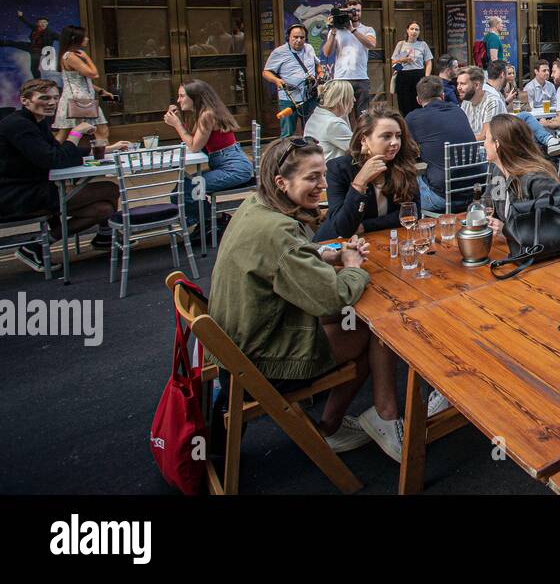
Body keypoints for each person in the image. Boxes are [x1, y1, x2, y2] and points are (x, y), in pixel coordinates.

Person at [206, 137, 376, 454]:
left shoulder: (254, 206)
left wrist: (319, 256)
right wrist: (353, 266)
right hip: (263, 361)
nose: (323, 185)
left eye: (323, 174)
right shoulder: (278, 231)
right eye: (312, 177)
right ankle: (330, 429)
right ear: (281, 181)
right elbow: (333, 297)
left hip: (234, 349)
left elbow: (280, 261)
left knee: (344, 320)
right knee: (368, 332)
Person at [0, 79, 127, 263]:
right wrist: (75, 133)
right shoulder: (18, 125)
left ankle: (38, 245)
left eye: (55, 98)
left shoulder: (38, 122)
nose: (51, 102)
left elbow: (58, 152)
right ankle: (105, 235)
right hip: (17, 195)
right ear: (25, 101)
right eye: (44, 98)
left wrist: (108, 149)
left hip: (36, 187)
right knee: (109, 189)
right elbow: (54, 159)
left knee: (103, 209)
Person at [316, 103, 422, 241]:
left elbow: (412, 213)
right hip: (336, 247)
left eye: (398, 136)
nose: (395, 142)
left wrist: (366, 226)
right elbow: (343, 227)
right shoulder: (339, 169)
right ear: (364, 140)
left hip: (381, 241)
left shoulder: (402, 165)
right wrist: (360, 183)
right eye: (386, 136)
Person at [163, 78, 254, 237]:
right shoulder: (204, 113)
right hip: (227, 164)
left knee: (186, 190)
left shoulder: (207, 115)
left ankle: (213, 222)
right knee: (183, 187)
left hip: (234, 168)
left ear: (195, 96)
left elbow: (194, 146)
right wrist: (181, 121)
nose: (178, 100)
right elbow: (195, 139)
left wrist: (177, 124)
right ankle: (211, 222)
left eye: (182, 96)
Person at [482, 114, 560, 235]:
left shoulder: (538, 181)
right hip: (512, 246)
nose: (484, 144)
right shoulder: (499, 171)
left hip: (538, 251)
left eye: (486, 138)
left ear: (497, 144)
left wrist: (506, 230)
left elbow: (555, 231)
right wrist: (479, 211)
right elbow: (489, 202)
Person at [404, 75, 475, 213]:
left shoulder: (413, 118)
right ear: (442, 95)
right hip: (476, 192)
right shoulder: (458, 111)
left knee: (404, 182)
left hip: (443, 198)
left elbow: (406, 151)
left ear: (418, 100)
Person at [52, 25, 116, 144]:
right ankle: (103, 155)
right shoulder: (70, 56)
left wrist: (101, 91)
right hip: (81, 100)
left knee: (64, 132)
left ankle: (55, 155)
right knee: (102, 131)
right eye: (84, 37)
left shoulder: (67, 55)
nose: (87, 39)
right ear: (75, 39)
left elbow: (80, 81)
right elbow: (94, 74)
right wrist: (87, 57)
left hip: (74, 98)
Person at [263, 24, 321, 137]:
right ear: (288, 37)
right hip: (289, 98)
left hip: (309, 97)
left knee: (312, 131)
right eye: (295, 37)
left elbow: (317, 64)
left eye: (302, 37)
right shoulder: (279, 52)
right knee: (288, 133)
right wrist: (276, 80)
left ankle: (309, 153)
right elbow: (266, 72)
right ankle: (286, 154)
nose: (299, 40)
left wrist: (320, 74)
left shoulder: (309, 48)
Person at [321, 0, 376, 115]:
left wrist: (352, 29)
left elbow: (371, 44)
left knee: (363, 115)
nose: (355, 14)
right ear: (345, 12)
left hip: (361, 78)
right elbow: (327, 52)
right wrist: (333, 30)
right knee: (342, 114)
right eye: (352, 11)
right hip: (341, 78)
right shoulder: (336, 31)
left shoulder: (367, 29)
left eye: (358, 11)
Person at [304, 80, 356, 163]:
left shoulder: (316, 116)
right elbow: (359, 148)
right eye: (352, 96)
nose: (354, 100)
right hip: (332, 171)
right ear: (341, 100)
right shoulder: (333, 124)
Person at [389, 21, 433, 116]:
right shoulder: (401, 44)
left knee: (418, 102)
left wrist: (426, 77)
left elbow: (428, 62)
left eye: (417, 29)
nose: (414, 31)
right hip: (403, 75)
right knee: (404, 104)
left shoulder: (423, 44)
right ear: (407, 30)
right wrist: (403, 59)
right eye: (412, 29)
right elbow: (393, 61)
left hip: (418, 75)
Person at [457, 66, 506, 139]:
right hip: (472, 147)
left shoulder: (493, 102)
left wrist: (459, 140)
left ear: (477, 85)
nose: (458, 87)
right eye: (458, 84)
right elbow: (461, 130)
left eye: (463, 84)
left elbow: (484, 137)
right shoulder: (466, 102)